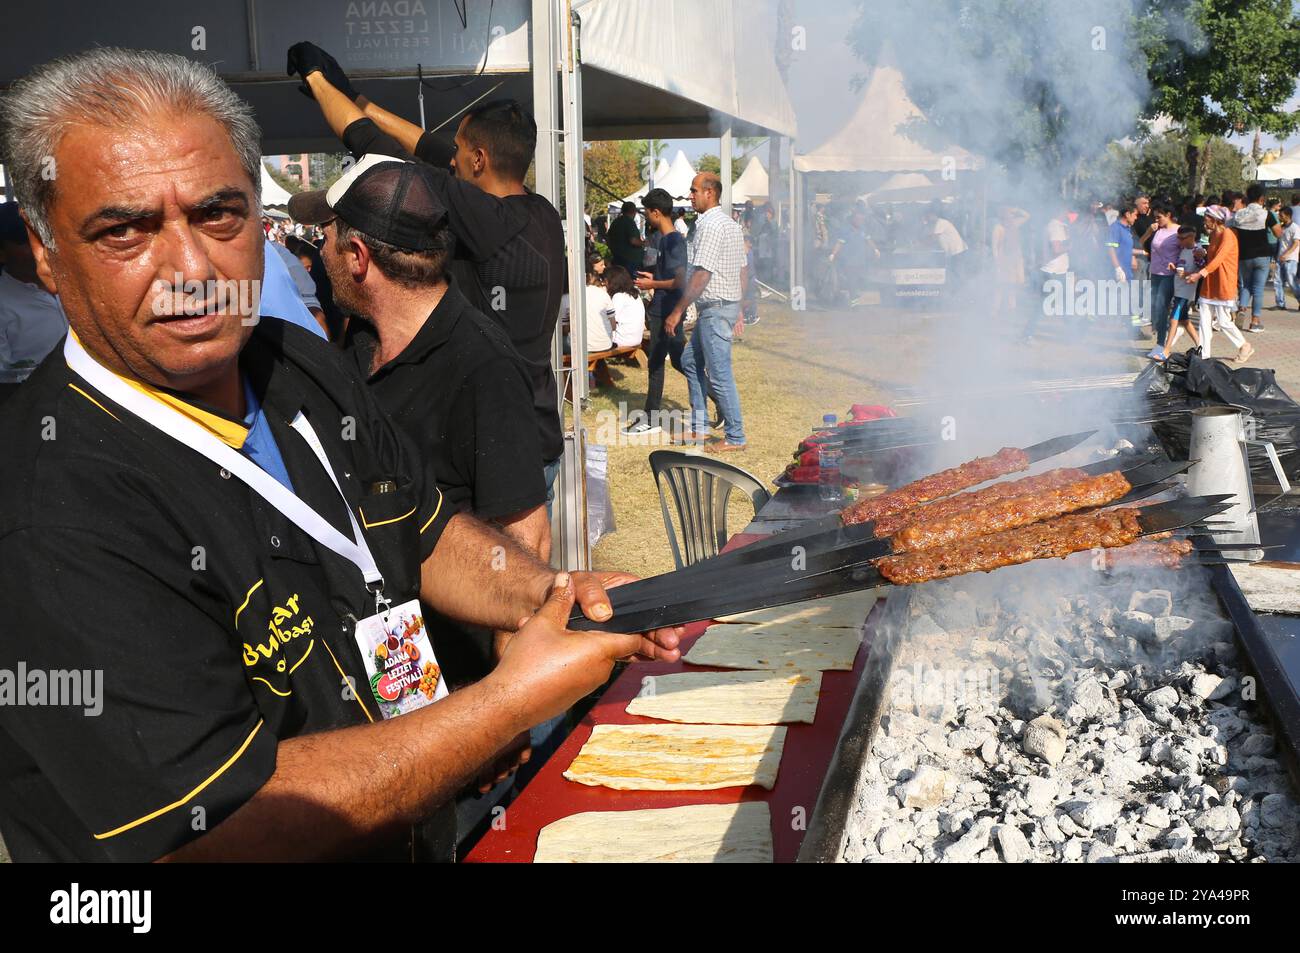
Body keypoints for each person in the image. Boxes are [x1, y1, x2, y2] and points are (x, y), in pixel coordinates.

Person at [0, 46, 681, 863]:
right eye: (124, 229)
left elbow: (424, 532)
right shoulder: (49, 514)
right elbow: (216, 832)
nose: (189, 269)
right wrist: (504, 704)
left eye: (217, 214)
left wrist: (549, 591)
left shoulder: (296, 358)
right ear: (45, 255)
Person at [288, 154, 550, 693]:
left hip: (460, 679)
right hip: (384, 673)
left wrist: (503, 704)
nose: (320, 253)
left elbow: (527, 539)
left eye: (327, 236)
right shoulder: (359, 346)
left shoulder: (482, 364)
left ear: (357, 255)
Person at [287, 42, 566, 504]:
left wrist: (317, 79)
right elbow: (428, 148)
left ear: (479, 159)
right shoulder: (539, 215)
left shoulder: (482, 218)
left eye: (460, 151)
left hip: (491, 451)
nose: (450, 158)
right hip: (536, 434)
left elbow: (375, 151)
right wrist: (359, 100)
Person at [666, 172, 747, 452]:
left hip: (715, 308)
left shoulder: (712, 226)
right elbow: (742, 268)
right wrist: (738, 306)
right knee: (690, 361)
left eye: (694, 191)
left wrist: (678, 311)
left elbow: (702, 274)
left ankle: (736, 436)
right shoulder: (730, 224)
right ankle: (700, 429)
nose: (690, 196)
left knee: (720, 372)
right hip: (720, 307)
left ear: (709, 193)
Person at [629, 187, 687, 436]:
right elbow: (671, 277)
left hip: (666, 309)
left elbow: (680, 281)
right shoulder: (667, 240)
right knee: (680, 361)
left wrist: (652, 284)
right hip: (664, 307)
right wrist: (654, 277)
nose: (645, 217)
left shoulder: (673, 241)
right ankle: (720, 402)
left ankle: (651, 418)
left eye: (646, 212)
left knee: (657, 364)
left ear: (655, 212)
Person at [0, 201, 67, 393]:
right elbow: (6, 379)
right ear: (1, 253)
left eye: (41, 237)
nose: (38, 248)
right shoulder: (3, 304)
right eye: (24, 242)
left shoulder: (70, 284)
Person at [1187, 206, 1253, 363]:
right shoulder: (1214, 236)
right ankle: (1203, 354)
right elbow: (1212, 257)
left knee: (1223, 321)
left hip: (1223, 282)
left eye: (1207, 218)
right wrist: (1203, 254)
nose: (1204, 222)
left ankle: (1244, 345)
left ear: (1215, 220)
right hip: (1210, 282)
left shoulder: (1228, 235)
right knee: (1204, 319)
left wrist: (1200, 274)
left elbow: (1220, 258)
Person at [1231, 184, 1280, 333]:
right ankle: (1255, 321)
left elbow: (1234, 235)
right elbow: (1278, 233)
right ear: (1262, 198)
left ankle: (1242, 309)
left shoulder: (1239, 215)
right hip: (1262, 255)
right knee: (1258, 289)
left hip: (1244, 255)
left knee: (1245, 285)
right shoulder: (1266, 214)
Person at [1143, 203, 1181, 360]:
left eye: (1159, 217)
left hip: (1169, 274)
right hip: (1155, 272)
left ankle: (1161, 343)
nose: (1157, 220)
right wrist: (1148, 231)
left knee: (1161, 305)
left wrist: (1180, 267)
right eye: (1155, 217)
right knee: (1155, 306)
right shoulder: (1157, 230)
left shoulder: (1178, 231)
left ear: (1169, 215)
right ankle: (1164, 336)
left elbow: (1187, 249)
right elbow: (1142, 242)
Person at [1161, 226, 1205, 360]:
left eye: (1182, 238)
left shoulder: (1197, 251)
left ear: (1192, 237)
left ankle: (1166, 349)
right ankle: (1201, 344)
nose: (1179, 241)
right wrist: (1175, 268)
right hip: (1179, 287)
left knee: (1173, 319)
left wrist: (1186, 274)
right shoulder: (1184, 249)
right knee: (1185, 320)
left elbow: (1201, 272)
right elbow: (1182, 268)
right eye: (1178, 238)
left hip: (1186, 290)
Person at [991, 205, 1029, 317]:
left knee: (1014, 284)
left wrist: (1016, 209)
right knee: (1001, 285)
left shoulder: (1014, 224)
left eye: (1012, 216)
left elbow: (1027, 216)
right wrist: (997, 262)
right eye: (1009, 215)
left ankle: (1011, 308)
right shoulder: (998, 228)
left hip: (1015, 260)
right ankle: (995, 310)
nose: (1012, 218)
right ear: (1003, 217)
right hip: (1004, 261)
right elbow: (994, 246)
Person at [602, 265, 646, 348]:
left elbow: (611, 321)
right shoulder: (634, 294)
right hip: (636, 338)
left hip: (621, 340)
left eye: (605, 281)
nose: (605, 284)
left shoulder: (619, 296)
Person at [583, 254, 614, 354]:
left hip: (591, 343)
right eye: (601, 265)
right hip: (605, 342)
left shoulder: (597, 289)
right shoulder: (601, 292)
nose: (604, 267)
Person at [606, 201, 645, 278]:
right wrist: (644, 243)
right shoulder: (629, 222)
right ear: (633, 211)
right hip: (631, 260)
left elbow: (608, 237)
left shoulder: (616, 221)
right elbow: (633, 241)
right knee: (632, 282)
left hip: (617, 257)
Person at [1277, 206, 1300, 310]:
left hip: (1291, 259)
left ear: (1288, 216)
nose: (1279, 217)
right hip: (1280, 258)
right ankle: (1280, 304)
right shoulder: (1282, 227)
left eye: (1281, 215)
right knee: (1278, 281)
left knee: (1291, 281)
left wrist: (1286, 254)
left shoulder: (1295, 227)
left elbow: (1296, 243)